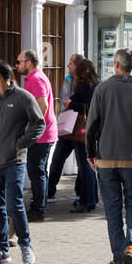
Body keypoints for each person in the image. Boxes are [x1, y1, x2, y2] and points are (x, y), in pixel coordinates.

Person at [85, 47, 132, 264]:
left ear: (116, 64)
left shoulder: (102, 89)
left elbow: (92, 125)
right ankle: (130, 245)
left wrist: (90, 152)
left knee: (113, 209)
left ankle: (118, 255)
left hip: (106, 159)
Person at [0, 60, 45, 264]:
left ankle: (26, 246)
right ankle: (2, 250)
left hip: (13, 162)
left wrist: (19, 145)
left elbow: (39, 123)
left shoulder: (24, 98)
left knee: (15, 205)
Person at [16, 49, 57, 220]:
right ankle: (39, 205)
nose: (16, 65)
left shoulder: (36, 79)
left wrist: (32, 127)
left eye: (19, 62)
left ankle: (38, 209)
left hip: (41, 135)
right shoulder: (35, 78)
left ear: (29, 63)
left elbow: (43, 106)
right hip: (44, 134)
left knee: (36, 172)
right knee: (39, 172)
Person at [47, 53, 84, 204]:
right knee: (57, 159)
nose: (68, 65)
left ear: (78, 66)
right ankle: (49, 193)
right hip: (65, 126)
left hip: (79, 128)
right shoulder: (67, 79)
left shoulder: (84, 83)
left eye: (71, 63)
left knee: (82, 164)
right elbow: (63, 100)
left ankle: (79, 194)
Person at [65, 57, 100, 212]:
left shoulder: (87, 86)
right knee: (88, 166)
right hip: (92, 131)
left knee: (85, 166)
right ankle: (90, 199)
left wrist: (71, 104)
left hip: (83, 132)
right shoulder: (95, 85)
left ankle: (86, 200)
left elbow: (87, 107)